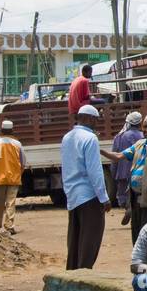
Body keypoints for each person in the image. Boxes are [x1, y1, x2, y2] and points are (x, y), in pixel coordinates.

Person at [102, 113, 147, 244]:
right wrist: (101, 151)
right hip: (136, 197)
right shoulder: (139, 144)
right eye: (144, 127)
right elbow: (118, 156)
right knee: (137, 231)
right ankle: (139, 259)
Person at [61, 105, 111, 269]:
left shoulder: (67, 137)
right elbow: (95, 171)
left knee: (75, 239)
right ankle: (84, 273)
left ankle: (72, 273)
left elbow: (66, 167)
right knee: (90, 239)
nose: (96, 123)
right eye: (96, 120)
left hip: (73, 195)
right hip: (89, 196)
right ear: (89, 118)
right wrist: (104, 198)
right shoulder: (90, 138)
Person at [0, 120, 26, 235]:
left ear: (1, 131)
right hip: (13, 178)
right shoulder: (17, 144)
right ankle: (9, 226)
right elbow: (23, 162)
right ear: (12, 131)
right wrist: (18, 173)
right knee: (10, 203)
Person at [110, 112, 144, 229]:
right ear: (140, 123)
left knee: (122, 194)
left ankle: (127, 207)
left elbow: (115, 156)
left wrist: (113, 172)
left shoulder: (119, 137)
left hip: (123, 171)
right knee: (139, 194)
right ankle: (135, 212)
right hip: (139, 170)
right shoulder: (143, 136)